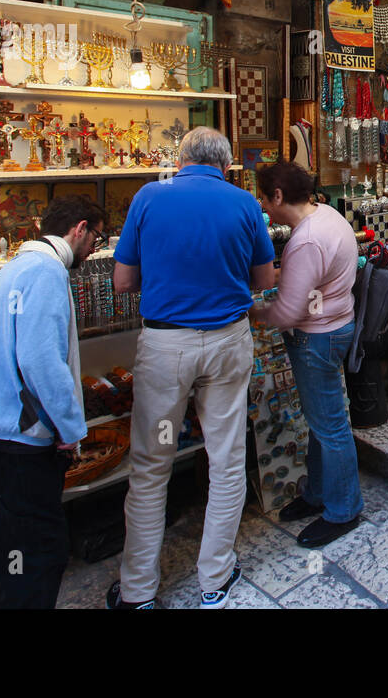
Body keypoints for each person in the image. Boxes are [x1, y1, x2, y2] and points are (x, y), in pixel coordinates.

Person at [109, 128, 277, 610]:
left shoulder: (149, 196)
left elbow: (122, 282)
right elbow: (263, 279)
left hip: (166, 350)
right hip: (226, 344)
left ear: (180, 159)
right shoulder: (243, 204)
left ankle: (138, 590)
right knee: (226, 458)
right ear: (225, 165)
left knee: (152, 463)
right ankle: (215, 579)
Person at [0, 196, 107, 608]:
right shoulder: (47, 272)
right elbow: (40, 361)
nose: (93, 251)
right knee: (36, 559)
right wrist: (71, 431)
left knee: (3, 560)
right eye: (96, 239)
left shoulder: (6, 274)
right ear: (79, 228)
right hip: (7, 443)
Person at [253, 161, 363, 548]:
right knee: (323, 422)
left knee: (330, 427)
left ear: (279, 196)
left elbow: (288, 312)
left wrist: (252, 313)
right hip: (335, 328)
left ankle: (344, 510)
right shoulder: (328, 216)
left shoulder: (306, 239)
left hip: (316, 338)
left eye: (264, 199)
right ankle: (319, 494)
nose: (264, 207)